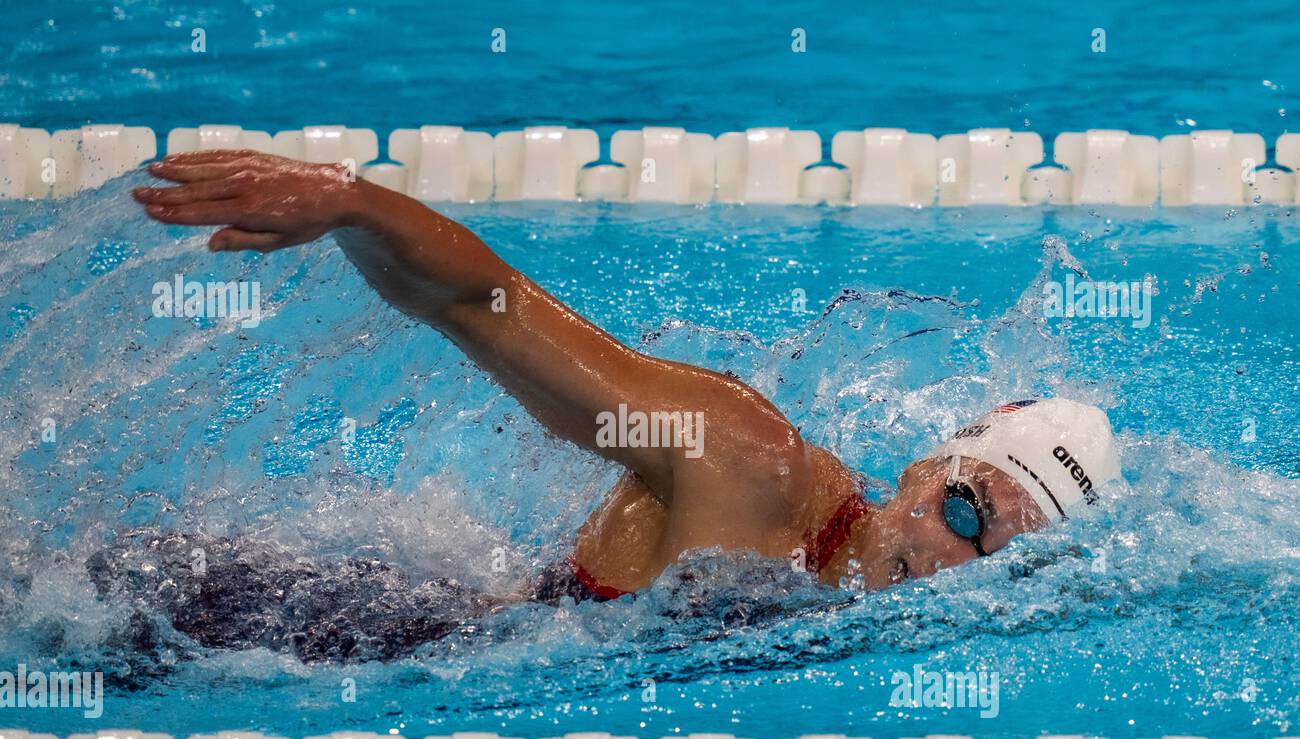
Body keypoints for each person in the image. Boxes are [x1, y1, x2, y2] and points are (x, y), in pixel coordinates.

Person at [124, 150, 1121, 655]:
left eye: (1005, 560)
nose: (957, 563)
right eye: (965, 510)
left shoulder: (873, 608)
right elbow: (487, 308)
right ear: (921, 469)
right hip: (281, 632)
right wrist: (351, 201)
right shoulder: (741, 458)